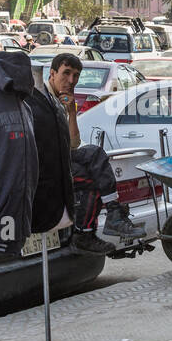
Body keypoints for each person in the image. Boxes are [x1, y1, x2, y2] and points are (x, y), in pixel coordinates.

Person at [43, 53, 145, 250]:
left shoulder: (64, 100)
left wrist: (72, 112)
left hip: (62, 155)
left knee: (96, 153)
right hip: (48, 164)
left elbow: (73, 144)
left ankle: (108, 217)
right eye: (66, 74)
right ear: (52, 73)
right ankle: (88, 231)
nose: (71, 81)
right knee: (94, 179)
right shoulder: (43, 99)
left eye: (75, 76)